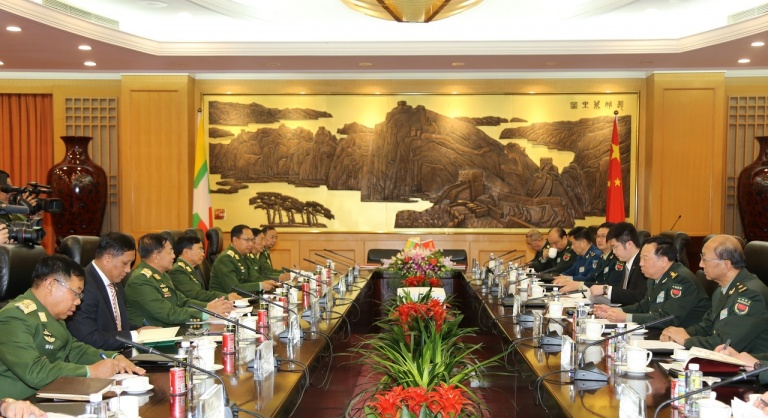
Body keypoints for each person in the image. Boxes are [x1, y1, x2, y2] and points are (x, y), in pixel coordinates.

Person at [0, 255, 144, 400]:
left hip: (52, 396)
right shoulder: (14, 316)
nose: (78, 301)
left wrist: (114, 357)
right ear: (50, 286)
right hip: (23, 405)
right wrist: (89, 371)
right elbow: (34, 371)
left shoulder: (51, 313)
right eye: (75, 293)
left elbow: (73, 349)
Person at [660, 235, 768, 351]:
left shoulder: (750, 296)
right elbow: (707, 326)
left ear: (726, 265)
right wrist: (678, 333)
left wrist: (686, 341)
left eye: (705, 259)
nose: (700, 264)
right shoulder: (723, 288)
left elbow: (725, 344)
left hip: (747, 365)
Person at [594, 235, 709, 328]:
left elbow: (667, 318)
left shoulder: (682, 281)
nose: (641, 264)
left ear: (663, 261)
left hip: (680, 340)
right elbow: (643, 307)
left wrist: (626, 317)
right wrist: (614, 310)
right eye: (641, 258)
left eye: (645, 258)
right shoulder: (654, 277)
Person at [66, 232, 156, 350]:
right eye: (125, 263)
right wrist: (134, 335)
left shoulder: (116, 281)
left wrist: (144, 332)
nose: (128, 270)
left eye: (131, 264)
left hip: (120, 352)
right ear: (107, 258)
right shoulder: (84, 286)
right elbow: (87, 338)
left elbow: (117, 326)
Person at [125, 233, 233, 327]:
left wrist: (208, 307)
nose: (174, 256)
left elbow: (182, 301)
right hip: (155, 336)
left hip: (172, 329)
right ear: (156, 256)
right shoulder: (140, 280)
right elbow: (169, 314)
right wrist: (207, 312)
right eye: (170, 252)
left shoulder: (162, 274)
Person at [588, 222, 647, 306]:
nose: (613, 251)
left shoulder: (643, 264)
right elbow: (623, 292)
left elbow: (639, 297)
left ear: (629, 244)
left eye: (615, 247)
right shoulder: (627, 262)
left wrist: (606, 290)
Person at [169, 235, 241, 302]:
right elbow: (195, 295)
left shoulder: (189, 268)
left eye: (203, 251)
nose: (203, 254)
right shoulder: (178, 271)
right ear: (187, 252)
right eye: (200, 250)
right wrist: (225, 297)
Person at [209, 225, 279, 294]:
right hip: (226, 301)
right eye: (247, 240)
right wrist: (260, 285)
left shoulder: (244, 256)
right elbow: (234, 288)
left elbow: (253, 278)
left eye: (252, 240)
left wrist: (269, 282)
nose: (251, 244)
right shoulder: (225, 259)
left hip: (243, 298)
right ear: (235, 240)